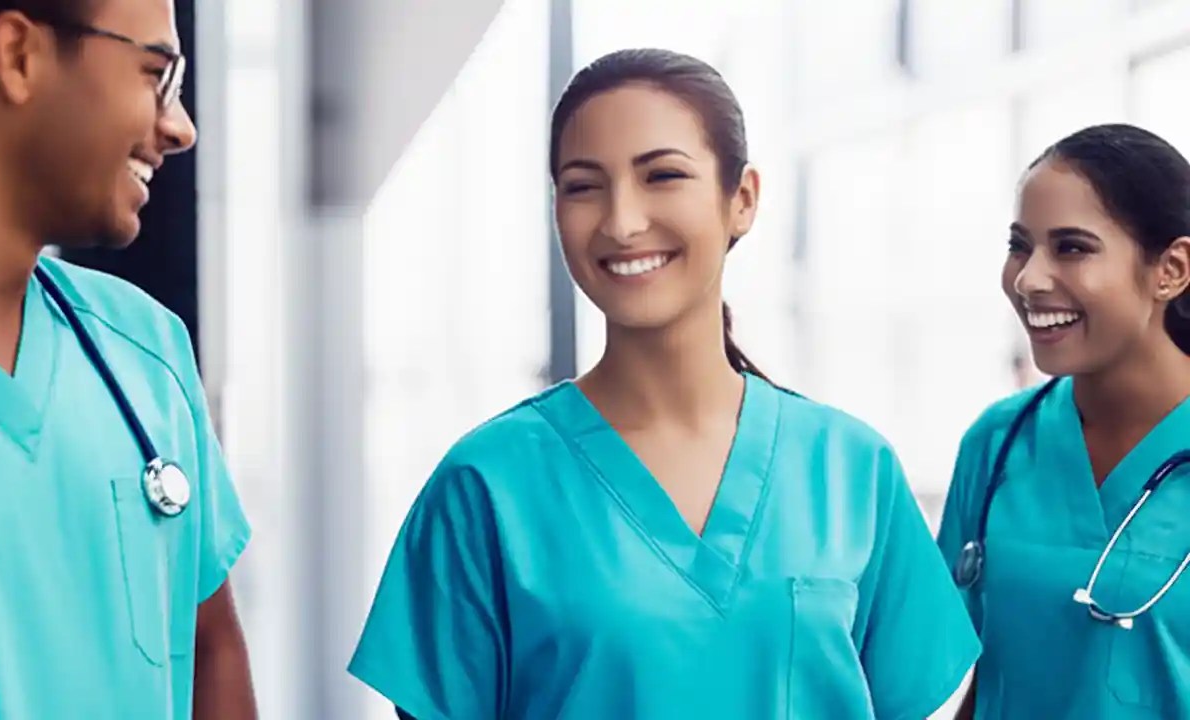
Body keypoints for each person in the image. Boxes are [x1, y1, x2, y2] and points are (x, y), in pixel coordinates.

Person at [348, 47, 980, 719]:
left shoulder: (851, 470)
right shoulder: (486, 484)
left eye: (662, 176)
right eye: (584, 185)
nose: (621, 222)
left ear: (742, 200)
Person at [0, 1, 256, 718]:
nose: (181, 127)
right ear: (19, 56)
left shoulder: (145, 354)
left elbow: (210, 648)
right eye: (155, 74)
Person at [938, 123, 1190, 719]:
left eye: (1072, 247)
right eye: (1020, 245)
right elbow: (983, 674)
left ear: (1172, 269)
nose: (1028, 279)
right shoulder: (998, 442)